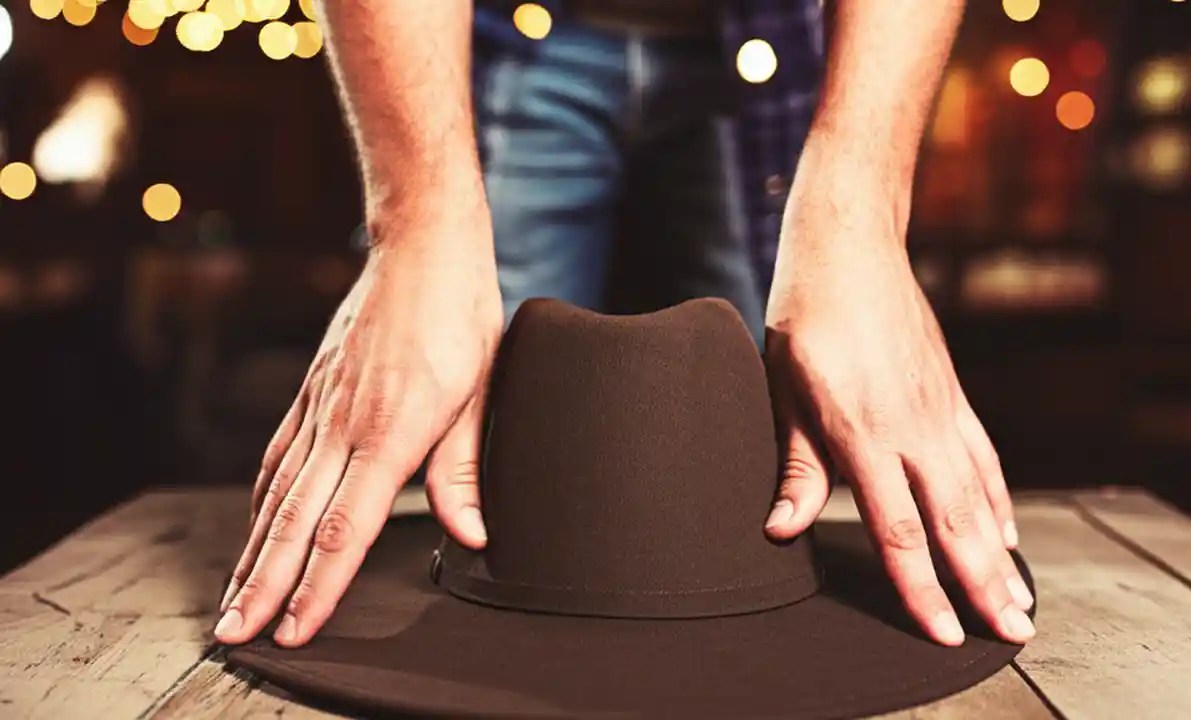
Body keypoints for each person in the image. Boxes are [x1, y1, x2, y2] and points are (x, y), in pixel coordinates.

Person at [216, 0, 1037, 653]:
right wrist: (415, 214)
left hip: (770, 36)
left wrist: (864, 211)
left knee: (776, 440)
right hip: (502, 28)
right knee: (464, 423)